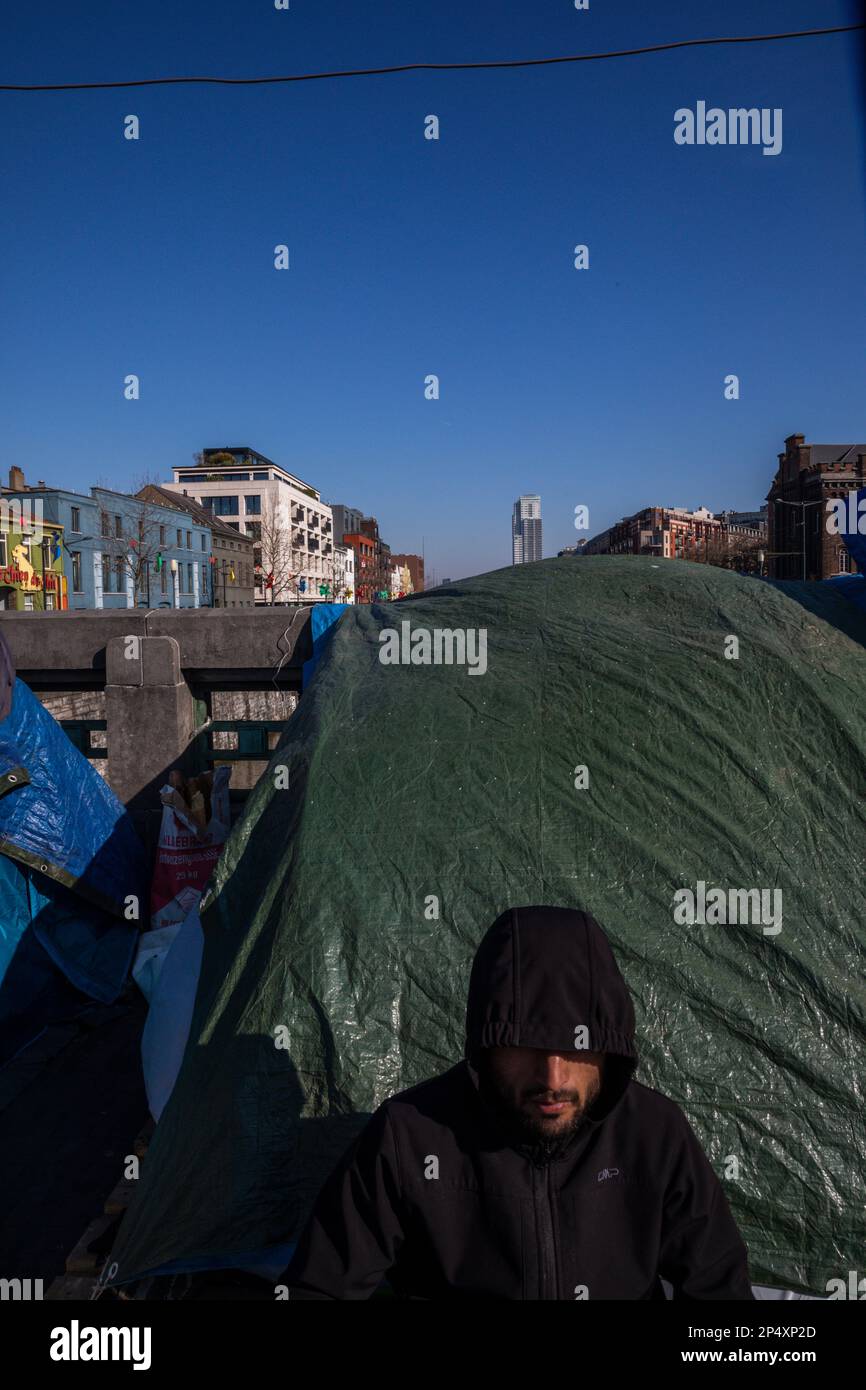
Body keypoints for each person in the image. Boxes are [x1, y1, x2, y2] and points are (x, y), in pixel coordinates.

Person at [284, 905, 755, 1300]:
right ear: (487, 1046)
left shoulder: (653, 1133)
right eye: (525, 1048)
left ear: (609, 1049)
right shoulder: (410, 1135)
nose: (552, 1078)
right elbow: (319, 1289)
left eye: (574, 1048)